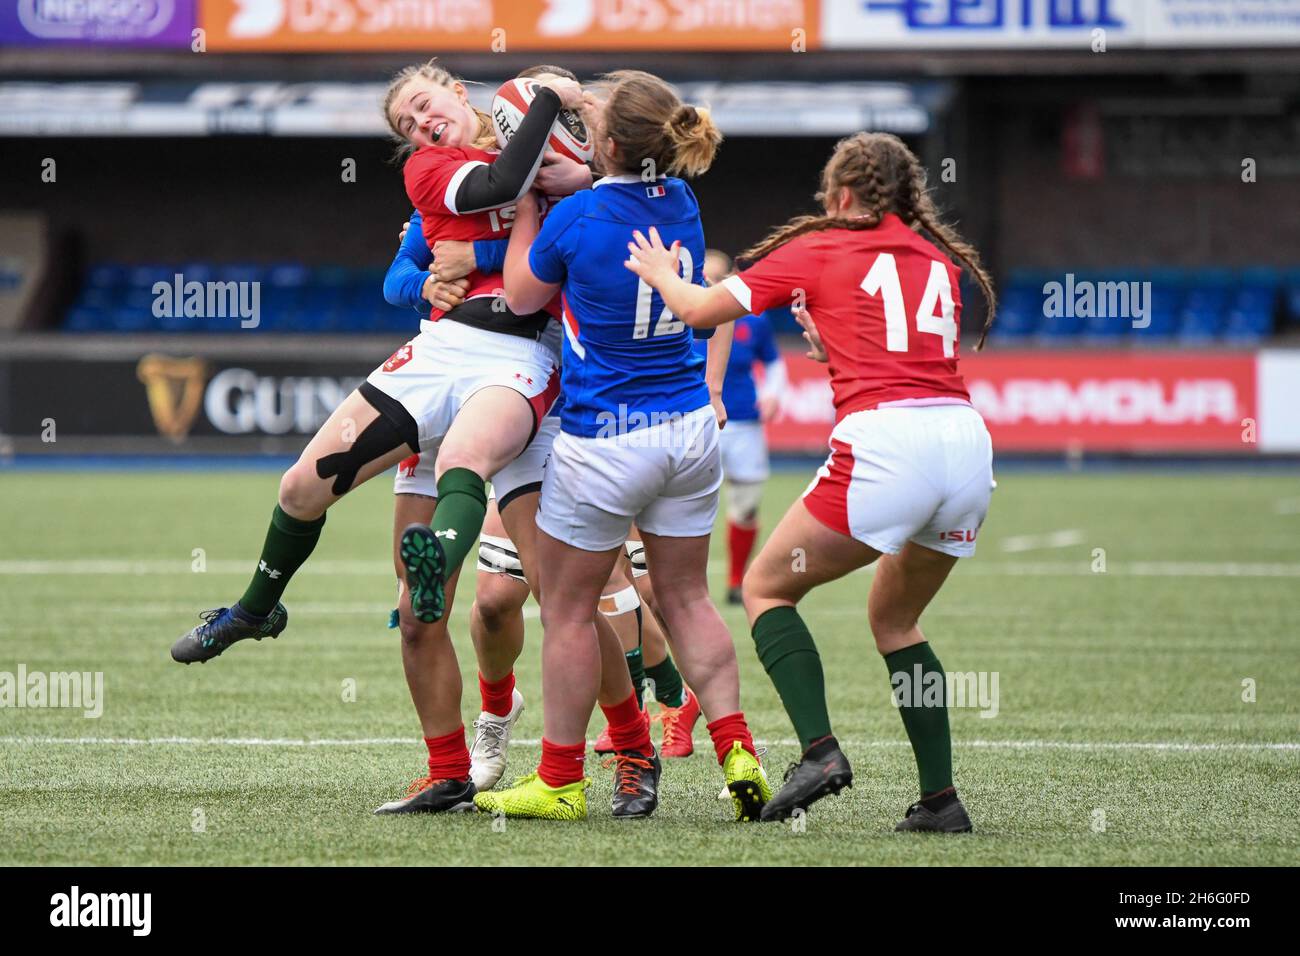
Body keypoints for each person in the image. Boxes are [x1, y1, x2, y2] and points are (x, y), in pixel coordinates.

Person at [170, 59, 582, 816]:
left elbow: (568, 239)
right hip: (444, 346)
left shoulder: (553, 152)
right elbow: (423, 257)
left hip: (531, 353)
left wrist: (492, 240)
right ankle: (262, 610)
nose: (420, 124)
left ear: (459, 93)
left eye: (426, 105)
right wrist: (432, 277)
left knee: (566, 594)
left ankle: (626, 747)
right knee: (303, 487)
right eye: (405, 124)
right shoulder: (435, 168)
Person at [624, 131, 997, 831]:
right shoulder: (937, 260)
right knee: (896, 620)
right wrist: (832, 341)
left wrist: (658, 271)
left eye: (829, 195)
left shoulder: (818, 247)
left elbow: (701, 312)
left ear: (844, 193)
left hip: (890, 445)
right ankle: (941, 800)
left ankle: (821, 752)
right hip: (965, 445)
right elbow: (906, 351)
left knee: (766, 588)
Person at [475, 70, 770, 823]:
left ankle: (561, 780)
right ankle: (738, 747)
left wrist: (525, 210)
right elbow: (617, 183)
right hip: (689, 431)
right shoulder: (685, 200)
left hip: (606, 436)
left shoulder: (572, 219)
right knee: (688, 597)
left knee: (571, 611)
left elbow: (519, 293)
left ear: (603, 143)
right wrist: (586, 140)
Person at [696, 249, 787, 605]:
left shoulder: (752, 320)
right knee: (685, 506)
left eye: (719, 279)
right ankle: (685, 586)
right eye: (706, 279)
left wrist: (772, 393)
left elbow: (774, 363)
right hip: (694, 420)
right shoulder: (679, 315)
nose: (712, 286)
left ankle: (736, 582)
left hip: (744, 422)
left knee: (746, 504)